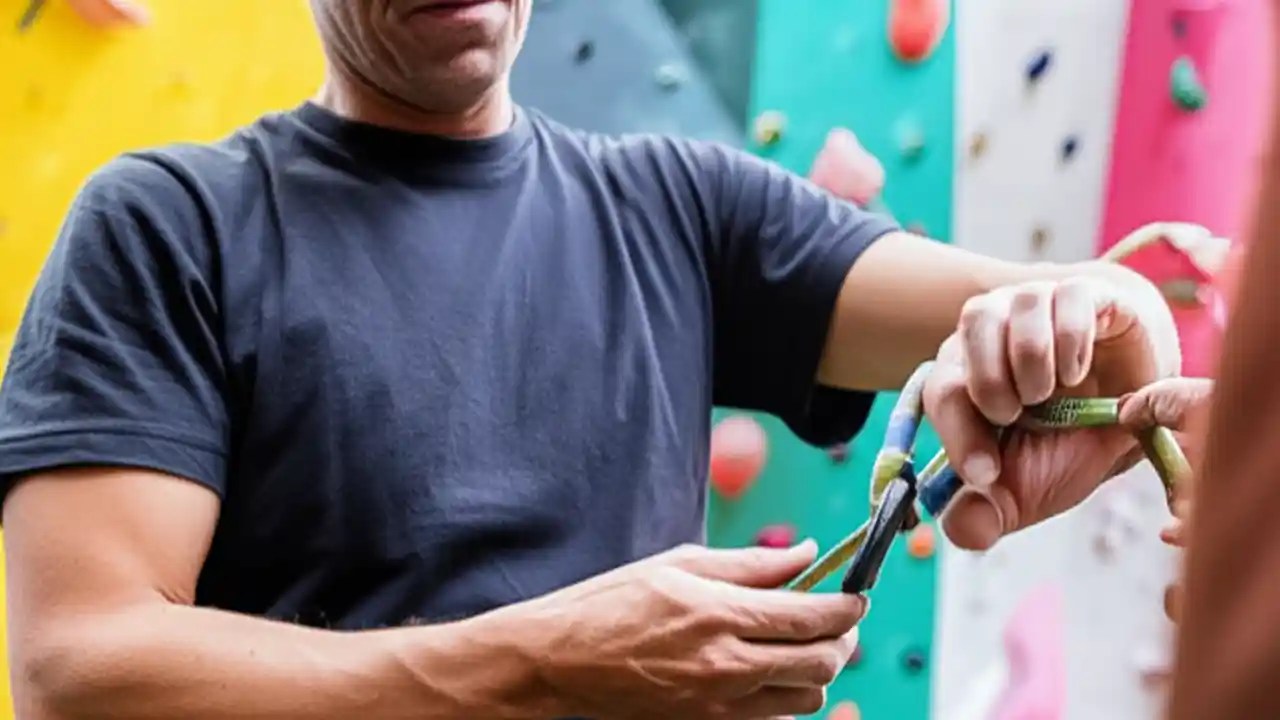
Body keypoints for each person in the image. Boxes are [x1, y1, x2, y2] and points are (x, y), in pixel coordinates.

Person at [0, 1, 1180, 718]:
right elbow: (79, 671)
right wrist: (547, 661)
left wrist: (1108, 331)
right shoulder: (169, 224)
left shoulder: (674, 205)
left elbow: (1091, 316)